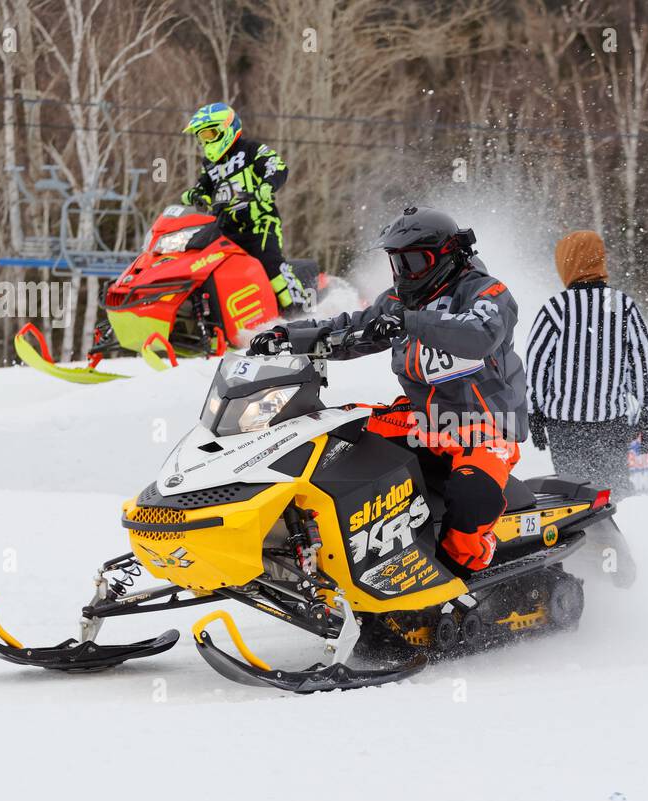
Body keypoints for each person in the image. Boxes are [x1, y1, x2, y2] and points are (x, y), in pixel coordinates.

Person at [251, 206, 527, 576]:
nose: (404, 273)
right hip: (420, 421)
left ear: (447, 256)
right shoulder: (399, 300)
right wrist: (291, 337)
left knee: (471, 500)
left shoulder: (488, 292)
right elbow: (350, 329)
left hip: (483, 428)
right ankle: (314, 537)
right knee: (332, 438)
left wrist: (409, 321)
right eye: (397, 263)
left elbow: (478, 335)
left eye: (414, 261)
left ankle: (480, 563)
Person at [525, 229, 648, 495]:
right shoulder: (624, 307)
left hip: (565, 426)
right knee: (613, 494)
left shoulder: (555, 309)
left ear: (566, 263)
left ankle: (586, 536)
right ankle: (618, 535)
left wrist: (534, 412)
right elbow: (641, 366)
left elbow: (537, 366)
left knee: (573, 496)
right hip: (611, 425)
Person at [180, 102, 305, 311]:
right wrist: (195, 194)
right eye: (201, 137)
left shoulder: (250, 150)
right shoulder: (211, 165)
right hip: (224, 230)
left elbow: (276, 165)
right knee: (206, 267)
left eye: (209, 134)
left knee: (269, 262)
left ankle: (301, 308)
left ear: (225, 129)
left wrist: (267, 185)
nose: (205, 141)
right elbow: (204, 186)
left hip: (258, 223)